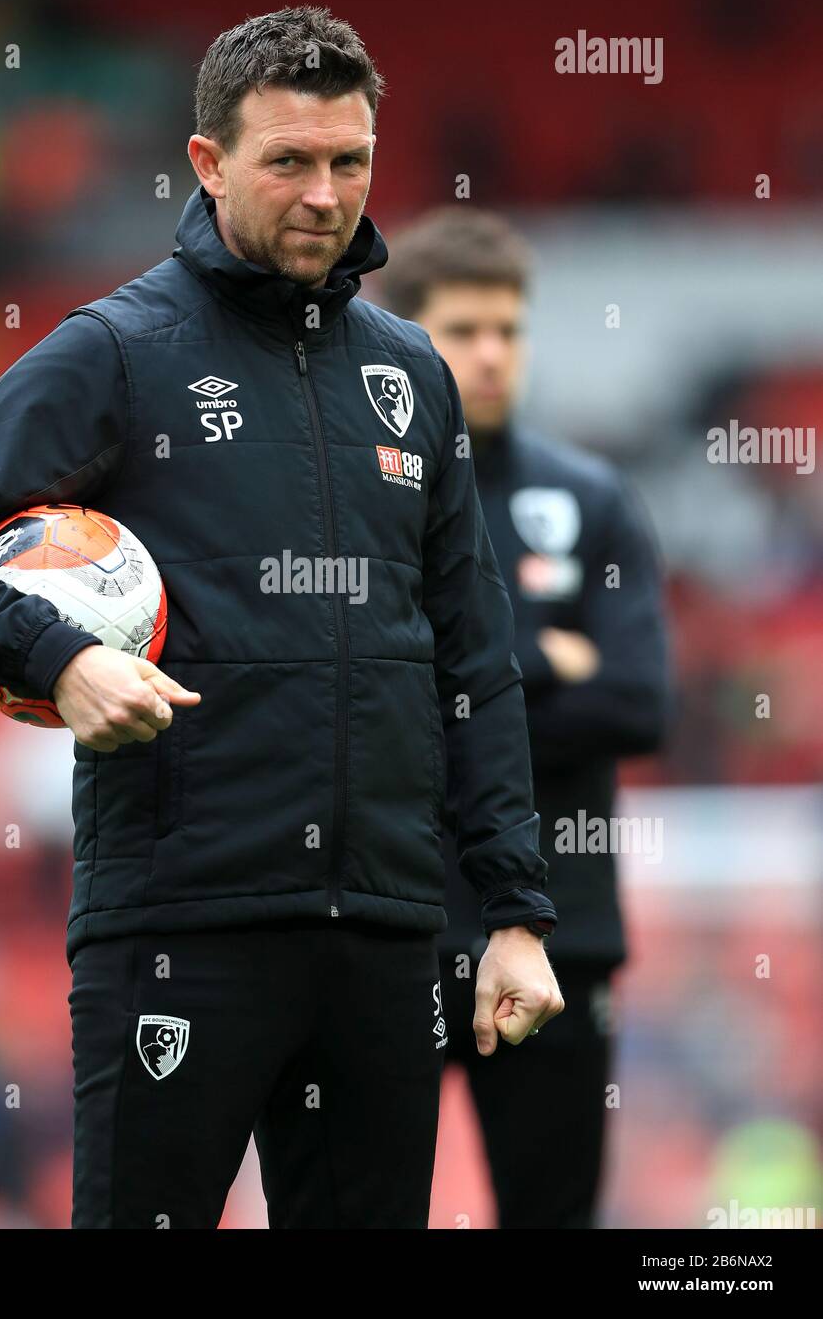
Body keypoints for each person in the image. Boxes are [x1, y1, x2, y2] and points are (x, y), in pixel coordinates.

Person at [0, 8, 562, 1230]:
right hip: (180, 928)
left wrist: (516, 912)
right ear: (209, 163)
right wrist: (56, 655)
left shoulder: (412, 375)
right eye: (288, 161)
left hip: (385, 939)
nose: (325, 194)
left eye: (350, 161)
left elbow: (472, 663)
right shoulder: (119, 351)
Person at [380, 207, 671, 1228]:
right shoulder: (364, 500)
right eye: (464, 330)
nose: (494, 354)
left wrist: (447, 693)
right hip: (389, 929)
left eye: (510, 328)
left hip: (561, 929)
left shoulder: (589, 496)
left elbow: (640, 701)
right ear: (405, 339)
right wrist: (544, 658)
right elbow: (355, 696)